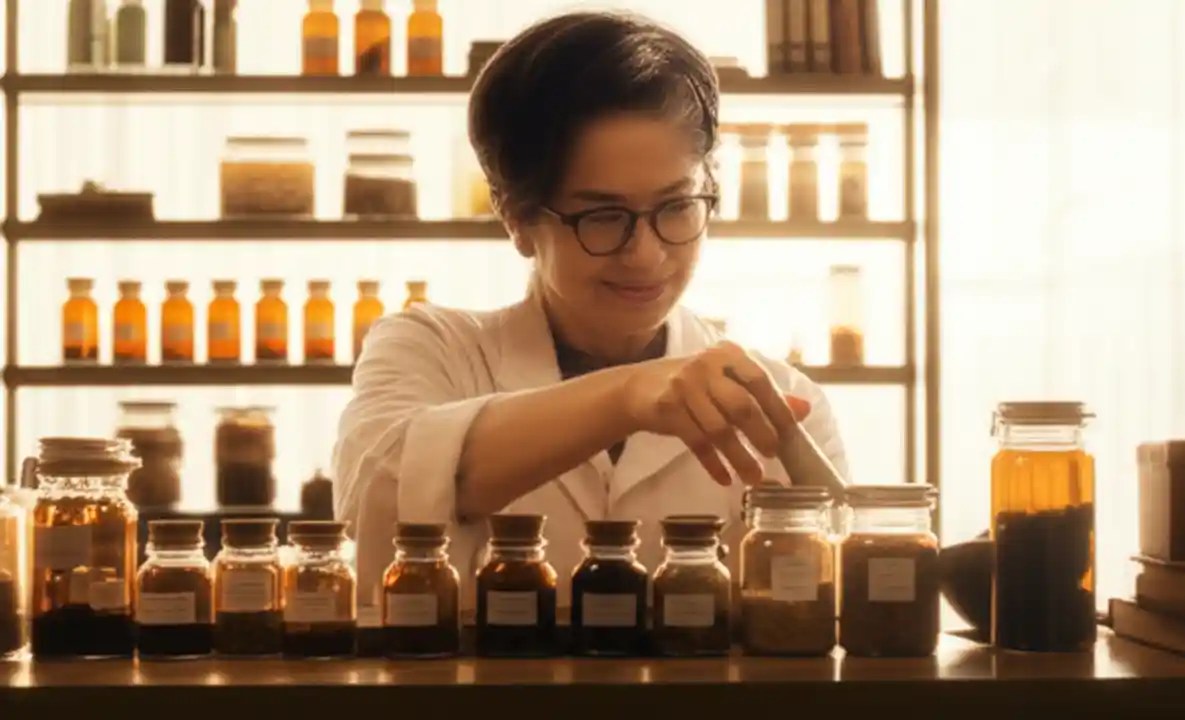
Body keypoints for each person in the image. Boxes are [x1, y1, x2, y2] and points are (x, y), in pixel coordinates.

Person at [334, 11, 848, 613]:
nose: (647, 253)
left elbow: (822, 611)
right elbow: (383, 504)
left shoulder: (780, 400)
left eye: (677, 207)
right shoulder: (432, 348)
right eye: (602, 217)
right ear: (517, 221)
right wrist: (627, 395)